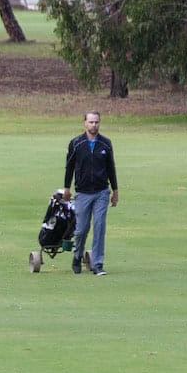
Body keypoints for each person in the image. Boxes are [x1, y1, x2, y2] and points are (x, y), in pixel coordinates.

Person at [63, 111, 119, 275]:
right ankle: (77, 256)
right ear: (85, 123)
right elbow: (70, 167)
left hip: (101, 192)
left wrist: (115, 190)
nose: (94, 125)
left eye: (97, 122)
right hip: (82, 192)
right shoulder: (76, 143)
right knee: (81, 229)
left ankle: (97, 264)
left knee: (99, 226)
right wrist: (67, 187)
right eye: (91, 122)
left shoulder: (106, 144)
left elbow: (111, 168)